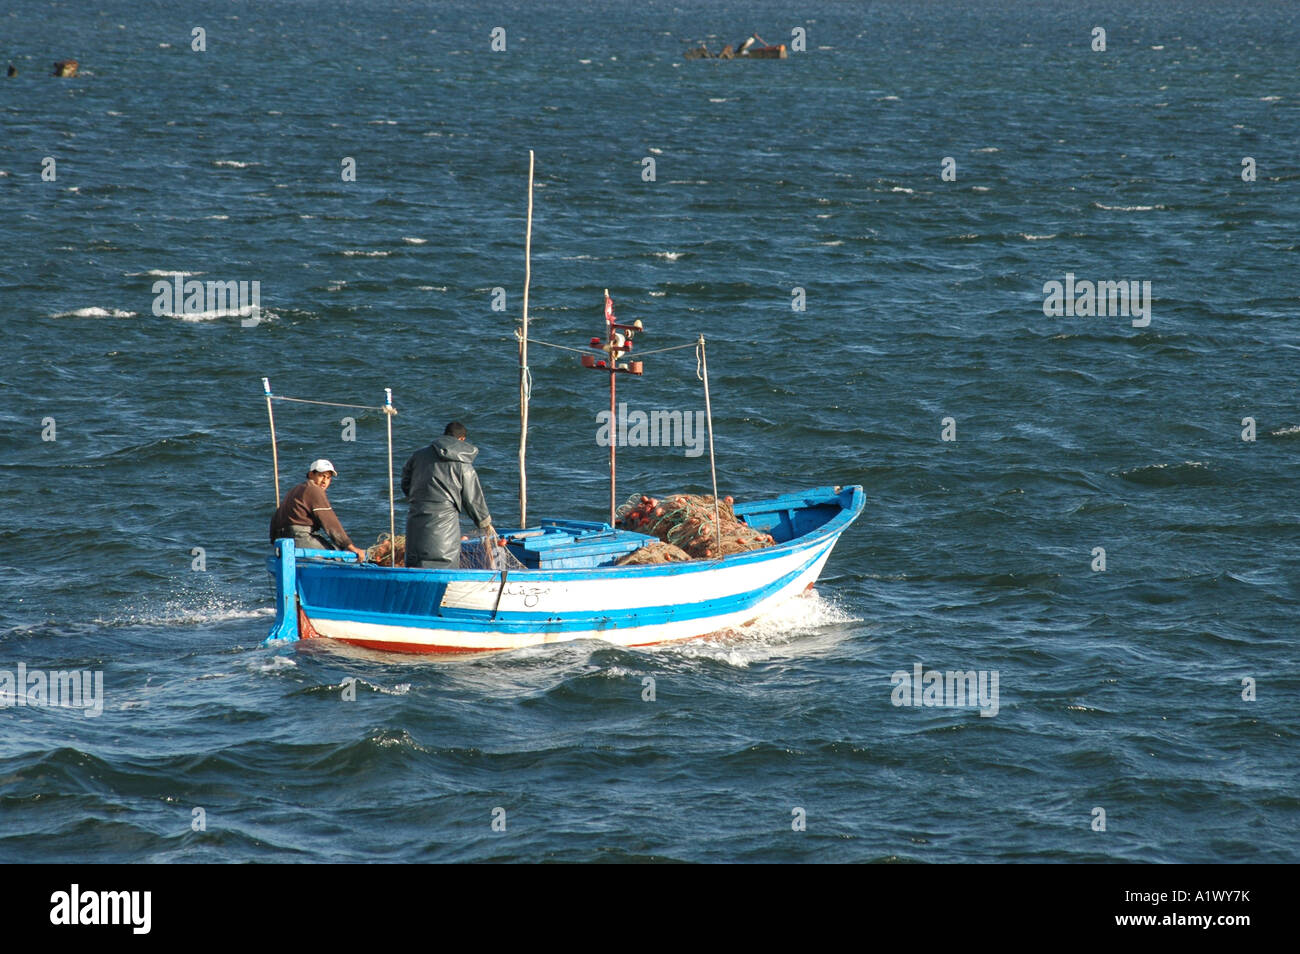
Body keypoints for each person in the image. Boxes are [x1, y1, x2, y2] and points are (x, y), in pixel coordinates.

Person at [401, 422, 494, 569]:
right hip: (445, 527)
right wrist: (484, 522)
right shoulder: (463, 464)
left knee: (415, 564)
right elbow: (472, 499)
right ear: (462, 440)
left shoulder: (418, 456)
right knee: (443, 565)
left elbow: (406, 483)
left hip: (416, 520)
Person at [269, 459, 367, 562]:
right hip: (299, 538)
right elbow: (330, 523)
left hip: (282, 542)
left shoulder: (295, 490)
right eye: (321, 476)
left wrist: (274, 542)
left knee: (335, 548)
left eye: (328, 478)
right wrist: (351, 547)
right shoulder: (314, 489)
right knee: (340, 556)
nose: (325, 481)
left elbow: (275, 518)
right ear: (311, 474)